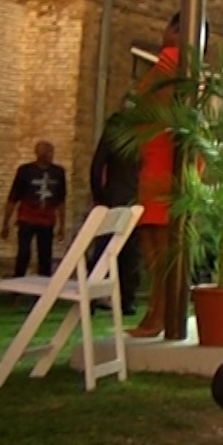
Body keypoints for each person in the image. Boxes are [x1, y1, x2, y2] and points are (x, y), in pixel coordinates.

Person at [128, 14, 182, 338]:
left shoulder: (171, 64)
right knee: (155, 244)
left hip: (163, 162)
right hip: (158, 161)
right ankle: (156, 311)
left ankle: (159, 313)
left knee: (160, 249)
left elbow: (155, 107)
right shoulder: (172, 67)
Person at [88, 101, 145, 306]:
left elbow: (97, 167)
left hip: (114, 196)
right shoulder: (142, 135)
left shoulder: (113, 133)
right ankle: (127, 299)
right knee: (131, 250)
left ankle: (94, 296)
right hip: (136, 197)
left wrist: (100, 195)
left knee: (105, 247)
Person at [1, 141, 67, 277]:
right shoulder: (25, 171)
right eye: (46, 152)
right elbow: (13, 197)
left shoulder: (58, 172)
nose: (50, 155)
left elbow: (61, 200)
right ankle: (18, 286)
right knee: (24, 253)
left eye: (51, 151)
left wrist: (62, 225)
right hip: (27, 217)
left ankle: (43, 290)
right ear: (38, 153)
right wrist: (5, 223)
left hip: (47, 219)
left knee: (45, 255)